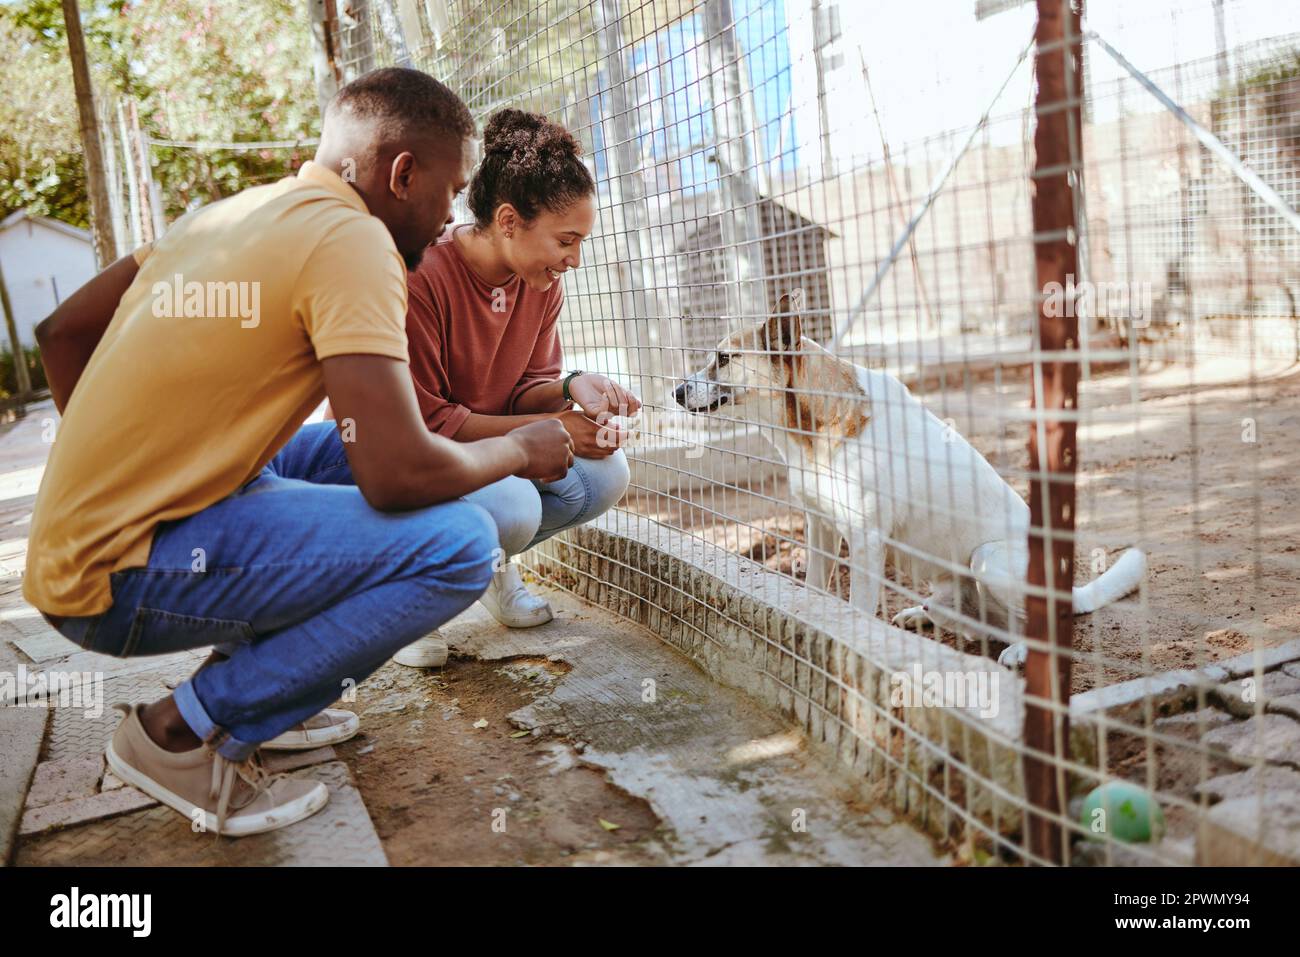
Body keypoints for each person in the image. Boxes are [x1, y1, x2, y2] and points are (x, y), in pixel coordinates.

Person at [24, 68, 573, 837]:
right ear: (402, 173)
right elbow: (396, 473)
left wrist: (120, 465)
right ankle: (180, 729)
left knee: (314, 459)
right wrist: (519, 445)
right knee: (457, 546)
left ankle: (264, 695)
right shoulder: (356, 241)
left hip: (84, 543)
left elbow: (62, 333)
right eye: (448, 189)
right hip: (112, 578)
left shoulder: (233, 212)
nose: (452, 212)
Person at [392, 109, 641, 667]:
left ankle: (488, 568)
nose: (574, 259)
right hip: (423, 460)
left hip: (490, 451)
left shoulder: (539, 282)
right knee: (514, 505)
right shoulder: (423, 277)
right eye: (566, 240)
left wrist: (574, 387)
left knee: (605, 475)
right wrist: (549, 429)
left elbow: (527, 386)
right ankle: (411, 598)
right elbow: (429, 423)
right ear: (508, 221)